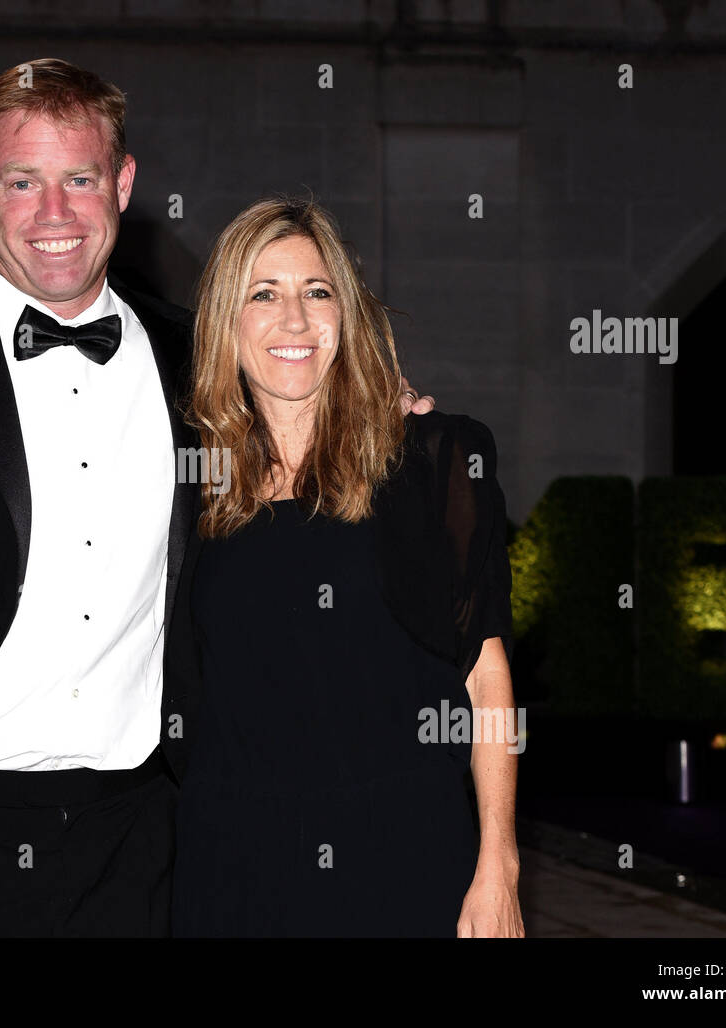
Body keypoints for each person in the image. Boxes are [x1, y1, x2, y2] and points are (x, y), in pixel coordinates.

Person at [0, 58, 433, 938]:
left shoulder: (203, 363)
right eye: (21, 181)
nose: (55, 213)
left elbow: (310, 416)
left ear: (124, 184)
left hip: (139, 844)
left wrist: (394, 416)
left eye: (80, 178)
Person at [166, 197, 523, 937]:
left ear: (347, 318)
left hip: (403, 858)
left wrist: (499, 866)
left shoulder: (436, 462)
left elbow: (486, 674)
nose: (293, 321)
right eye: (262, 293)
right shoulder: (187, 484)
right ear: (223, 324)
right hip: (228, 866)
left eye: (317, 292)